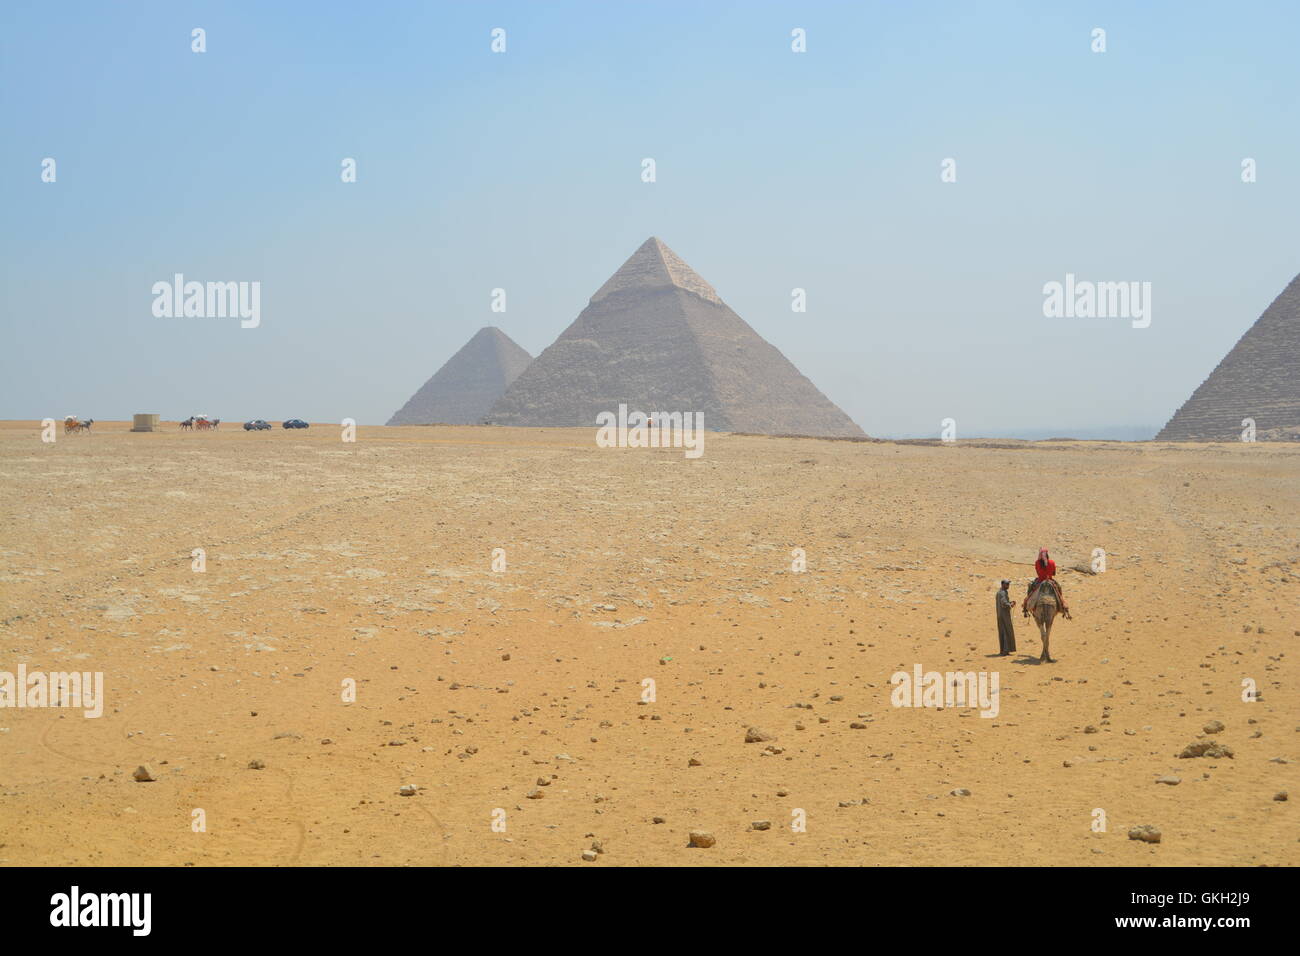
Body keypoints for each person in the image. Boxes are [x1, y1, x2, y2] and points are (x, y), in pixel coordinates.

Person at [995, 579, 1016, 655]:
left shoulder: (999, 592)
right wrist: (1010, 605)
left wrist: (1009, 603)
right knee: (1006, 631)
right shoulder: (1003, 593)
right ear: (1002, 584)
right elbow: (1004, 603)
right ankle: (1005, 651)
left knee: (1003, 631)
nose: (1008, 586)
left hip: (1000, 615)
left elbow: (1003, 602)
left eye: (1008, 584)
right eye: (1007, 584)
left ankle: (1003, 650)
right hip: (1004, 616)